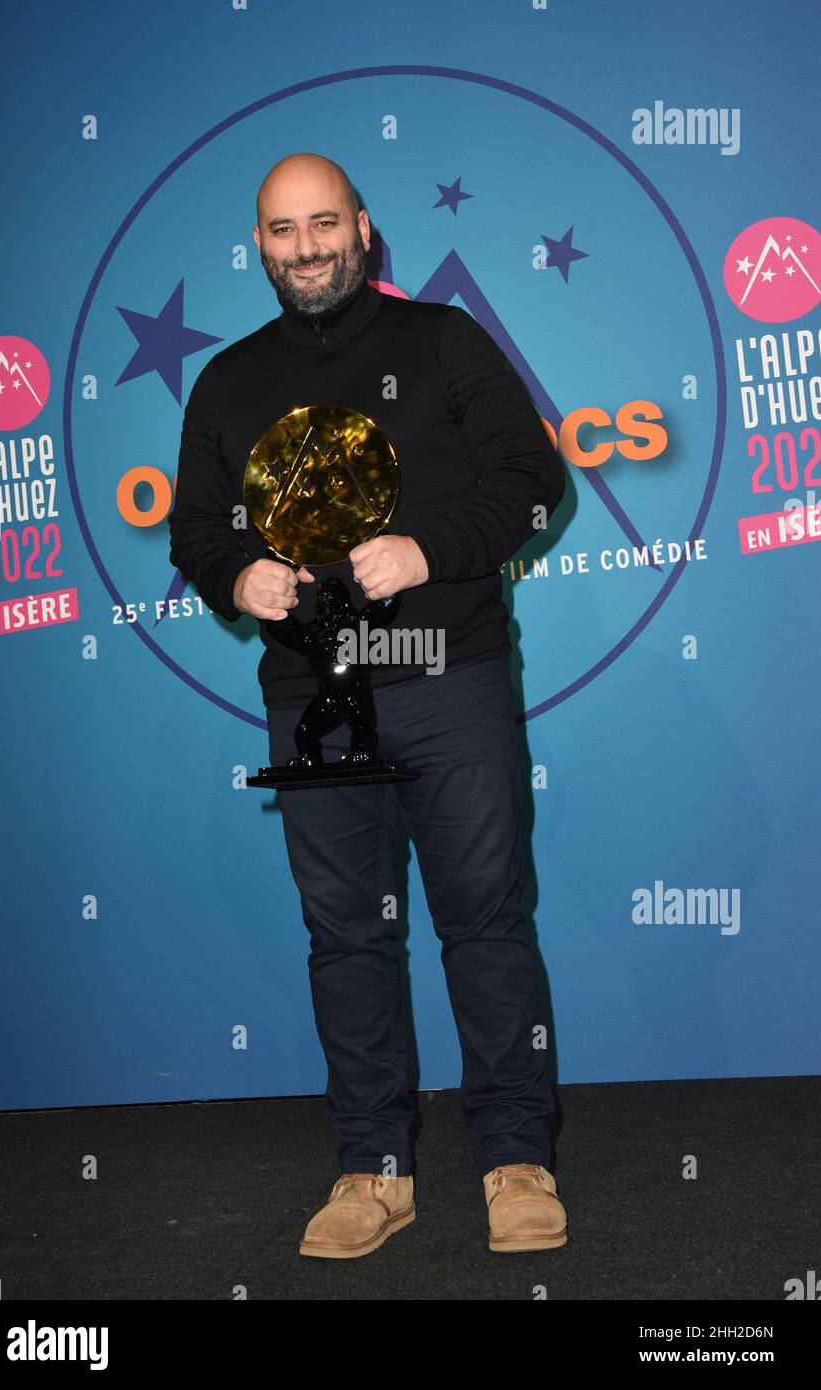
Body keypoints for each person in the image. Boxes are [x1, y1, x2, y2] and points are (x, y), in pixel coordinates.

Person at [169, 151, 569, 1258]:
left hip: (450, 670)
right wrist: (232, 577)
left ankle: (514, 1157)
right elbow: (194, 528)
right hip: (311, 694)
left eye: (324, 223)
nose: (305, 248)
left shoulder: (442, 339)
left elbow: (538, 481)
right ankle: (372, 1168)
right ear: (260, 245)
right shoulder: (226, 382)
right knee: (346, 937)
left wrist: (428, 547)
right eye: (282, 231)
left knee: (484, 917)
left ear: (365, 228)